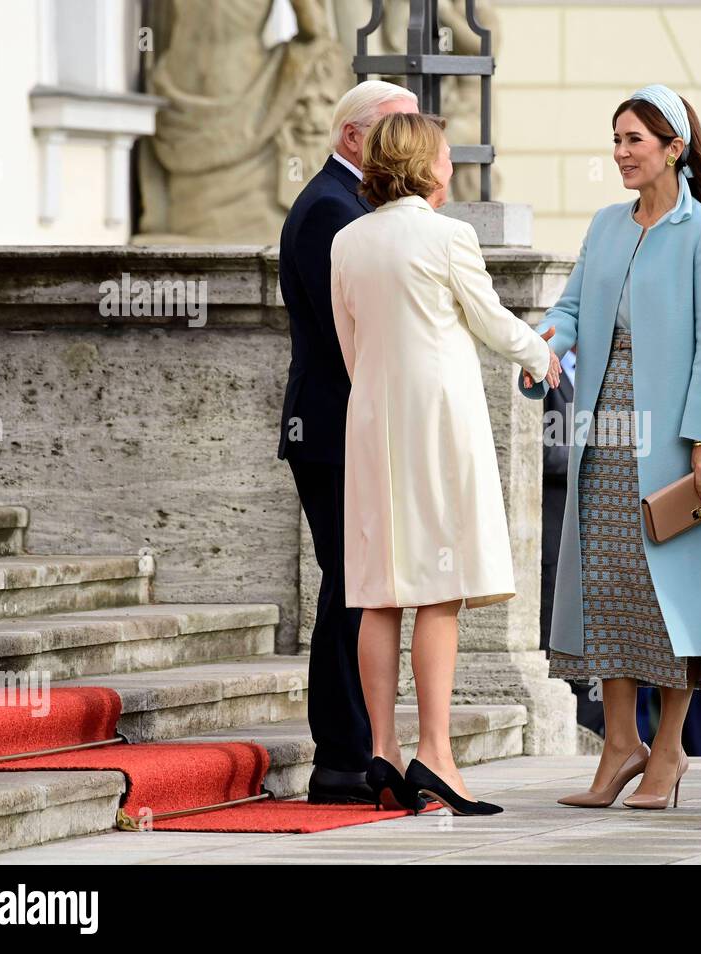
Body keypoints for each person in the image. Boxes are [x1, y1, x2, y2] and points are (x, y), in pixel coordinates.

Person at [520, 84, 701, 811]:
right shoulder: (607, 225)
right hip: (603, 434)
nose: (621, 153)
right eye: (616, 139)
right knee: (607, 587)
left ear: (674, 148)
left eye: (634, 139)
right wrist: (536, 347)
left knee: (673, 598)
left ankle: (667, 748)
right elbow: (572, 306)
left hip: (675, 440)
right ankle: (618, 746)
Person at [330, 112, 560, 816]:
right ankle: (436, 751)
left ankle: (382, 748)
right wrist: (540, 355)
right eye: (446, 157)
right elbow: (490, 319)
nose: (452, 167)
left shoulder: (347, 240)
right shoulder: (449, 234)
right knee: (437, 585)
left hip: (369, 419)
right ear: (425, 165)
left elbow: (349, 339)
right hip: (436, 419)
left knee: (377, 588)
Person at [276, 80, 417, 806]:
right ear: (356, 137)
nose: (412, 143)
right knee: (351, 587)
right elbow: (351, 330)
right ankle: (341, 753)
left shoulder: (354, 201)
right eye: (399, 130)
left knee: (358, 584)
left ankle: (353, 750)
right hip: (332, 426)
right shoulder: (332, 207)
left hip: (346, 423)